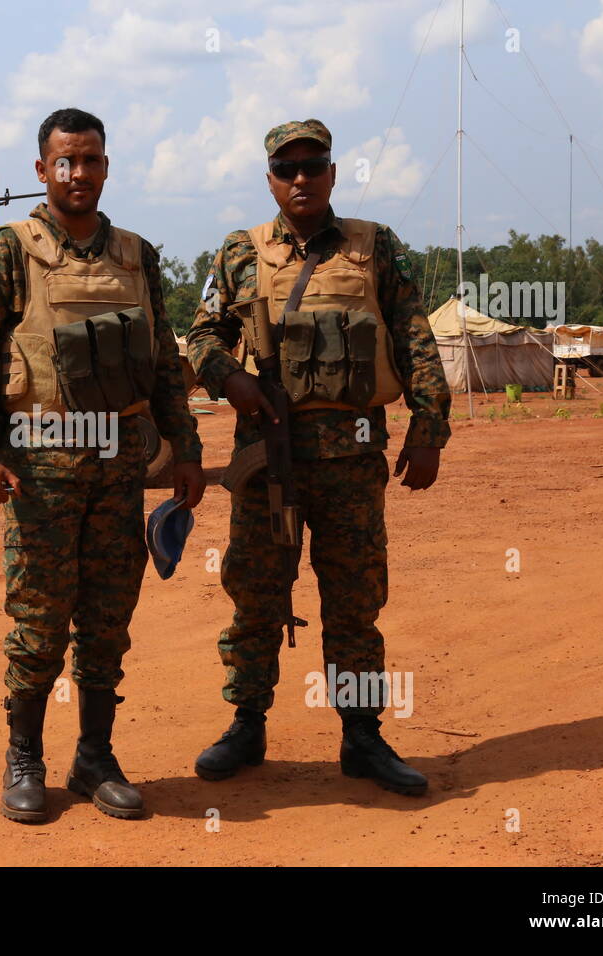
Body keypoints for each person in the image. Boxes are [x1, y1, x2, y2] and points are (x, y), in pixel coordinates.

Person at [0, 107, 206, 822]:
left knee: (107, 620)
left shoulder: (136, 255)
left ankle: (95, 757)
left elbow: (163, 361)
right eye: (65, 161)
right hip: (40, 470)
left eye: (91, 159)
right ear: (42, 170)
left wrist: (186, 450)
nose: (79, 172)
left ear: (106, 166)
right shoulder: (9, 250)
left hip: (118, 469)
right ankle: (24, 760)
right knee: (39, 619)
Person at [185, 118, 450, 796]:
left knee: (355, 601)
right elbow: (203, 335)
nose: (300, 178)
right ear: (270, 179)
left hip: (352, 459)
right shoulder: (240, 251)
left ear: (332, 174)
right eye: (286, 169)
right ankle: (247, 724)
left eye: (313, 166)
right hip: (265, 456)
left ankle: (362, 735)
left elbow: (413, 335)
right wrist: (231, 379)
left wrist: (428, 428)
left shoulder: (374, 245)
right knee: (255, 593)